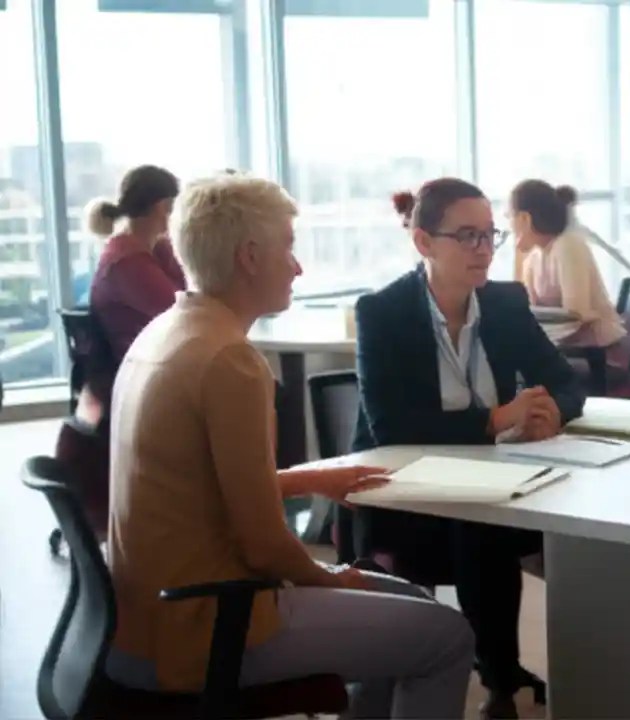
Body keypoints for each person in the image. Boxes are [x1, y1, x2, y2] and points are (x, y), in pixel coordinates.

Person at [104, 174, 474, 719]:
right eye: (289, 247)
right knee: (447, 634)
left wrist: (308, 479)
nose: (297, 267)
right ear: (250, 257)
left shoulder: (164, 334)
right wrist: (329, 577)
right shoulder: (231, 360)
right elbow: (264, 547)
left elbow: (194, 488)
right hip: (210, 625)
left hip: (147, 620)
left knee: (410, 603)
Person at [356, 178, 586, 719]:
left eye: (489, 235)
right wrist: (493, 420)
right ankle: (497, 673)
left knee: (514, 522)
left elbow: (567, 381)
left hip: (494, 482)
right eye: (466, 236)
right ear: (423, 242)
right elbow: (390, 425)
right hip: (404, 491)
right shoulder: (383, 312)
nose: (483, 250)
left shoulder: (504, 302)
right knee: (479, 527)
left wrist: (554, 410)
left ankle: (508, 674)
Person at [511, 180, 629, 378]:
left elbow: (576, 315)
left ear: (524, 218)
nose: (510, 225)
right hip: (568, 345)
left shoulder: (568, 245)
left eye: (510, 217)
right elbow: (525, 306)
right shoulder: (535, 254)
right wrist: (518, 254)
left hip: (597, 354)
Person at [86, 165, 187, 367]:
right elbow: (181, 314)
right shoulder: (127, 262)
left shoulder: (145, 248)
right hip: (143, 369)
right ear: (163, 207)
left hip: (155, 360)